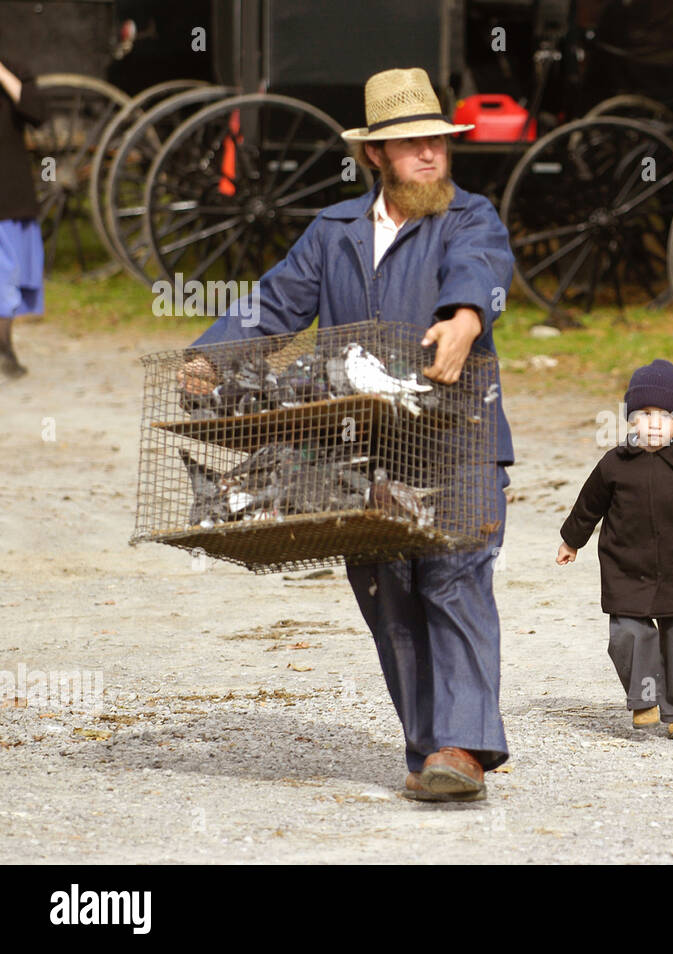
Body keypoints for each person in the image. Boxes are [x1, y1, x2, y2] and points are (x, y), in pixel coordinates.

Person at [186, 68, 515, 800]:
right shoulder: (333, 233)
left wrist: (464, 317)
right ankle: (427, 747)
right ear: (376, 156)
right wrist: (211, 354)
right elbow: (275, 301)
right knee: (386, 591)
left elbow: (485, 270)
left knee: (453, 579)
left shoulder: (471, 217)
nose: (430, 155)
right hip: (363, 445)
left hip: (458, 435)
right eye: (410, 145)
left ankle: (463, 750)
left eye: (437, 140)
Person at [556, 359, 673, 739]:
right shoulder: (613, 465)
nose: (655, 422)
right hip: (626, 568)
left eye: (666, 415)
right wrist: (572, 541)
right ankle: (645, 699)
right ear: (630, 420)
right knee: (627, 634)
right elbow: (587, 505)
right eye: (645, 414)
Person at [0, 56, 46, 378]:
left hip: (7, 195)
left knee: (6, 278)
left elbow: (37, 113)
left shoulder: (14, 69)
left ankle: (4, 348)